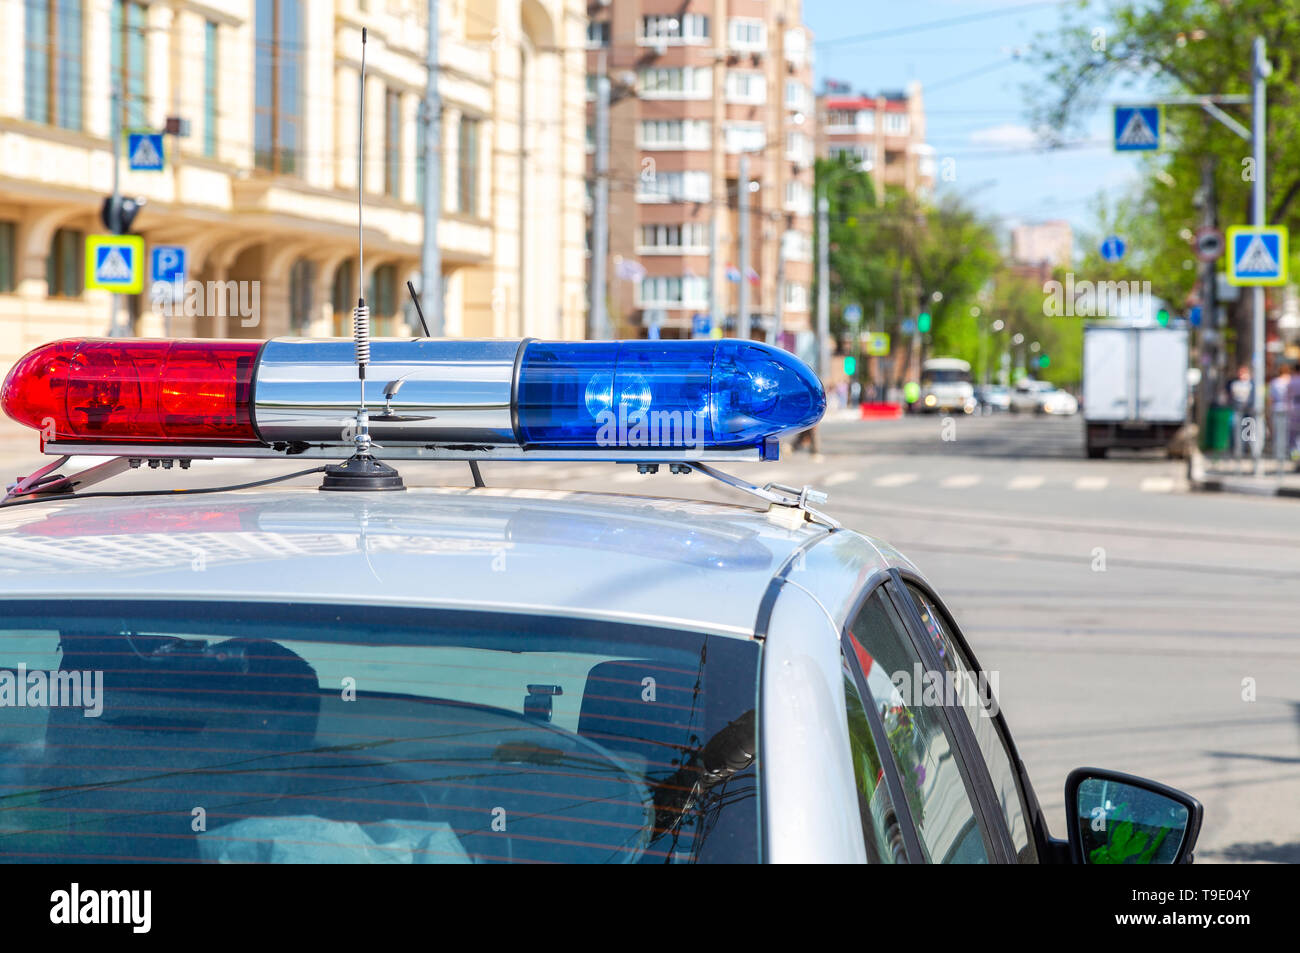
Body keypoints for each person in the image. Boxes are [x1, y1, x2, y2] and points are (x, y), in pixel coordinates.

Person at [1226, 365, 1255, 458]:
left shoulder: (1252, 384)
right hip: (1237, 410)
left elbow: (1253, 397)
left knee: (1248, 431)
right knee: (1235, 428)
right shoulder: (1234, 383)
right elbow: (1230, 396)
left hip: (1248, 411)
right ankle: (1237, 449)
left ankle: (1249, 450)